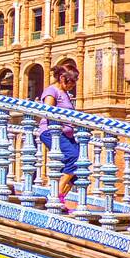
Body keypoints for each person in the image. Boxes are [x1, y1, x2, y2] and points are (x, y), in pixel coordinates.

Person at [39, 60, 81, 206]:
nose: (73, 85)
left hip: (67, 136)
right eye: (72, 81)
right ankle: (54, 194)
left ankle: (60, 197)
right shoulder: (52, 91)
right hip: (51, 133)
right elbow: (48, 112)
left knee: (81, 165)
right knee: (74, 157)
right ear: (62, 78)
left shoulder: (65, 93)